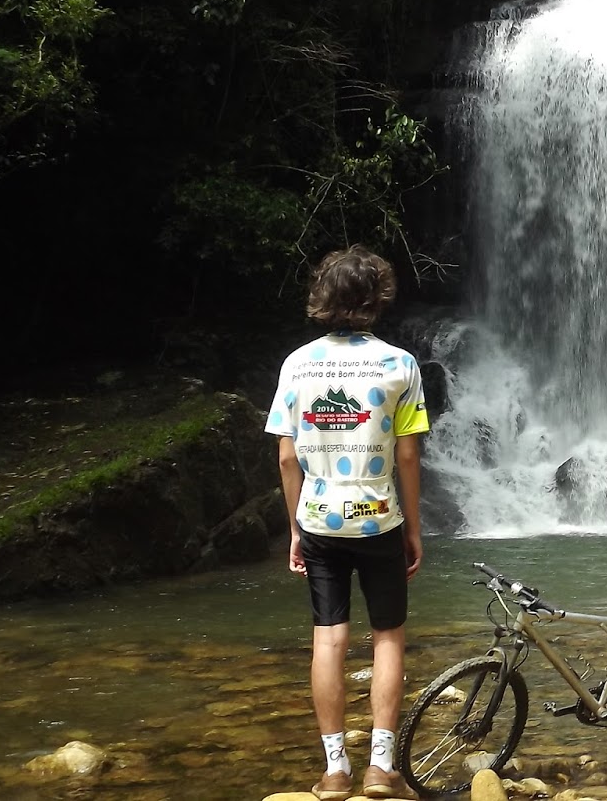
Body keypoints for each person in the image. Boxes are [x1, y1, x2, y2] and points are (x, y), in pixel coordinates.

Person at [266, 246, 429, 800]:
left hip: (317, 518)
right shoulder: (400, 365)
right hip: (377, 518)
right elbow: (407, 456)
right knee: (387, 637)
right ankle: (381, 768)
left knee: (329, 639)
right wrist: (413, 524)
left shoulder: (296, 364)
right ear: (376, 298)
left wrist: (294, 528)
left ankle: (336, 770)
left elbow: (287, 458)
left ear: (323, 298)